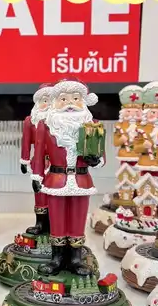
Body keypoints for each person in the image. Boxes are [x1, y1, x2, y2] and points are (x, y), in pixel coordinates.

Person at [31, 79, 104, 276]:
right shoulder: (45, 126)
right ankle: (57, 258)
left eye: (75, 98)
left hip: (81, 180)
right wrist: (37, 176)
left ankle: (75, 259)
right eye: (63, 99)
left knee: (78, 219)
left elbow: (101, 156)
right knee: (57, 219)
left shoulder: (93, 126)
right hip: (56, 180)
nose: (69, 103)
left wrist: (95, 160)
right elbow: (39, 154)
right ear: (55, 101)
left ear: (84, 101)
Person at [20, 83, 53, 235]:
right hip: (39, 162)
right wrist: (24, 160)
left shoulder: (60, 122)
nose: (47, 104)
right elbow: (26, 142)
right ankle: (40, 223)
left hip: (57, 163)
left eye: (50, 101)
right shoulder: (30, 121)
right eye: (44, 101)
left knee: (55, 193)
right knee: (39, 193)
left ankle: (55, 222)